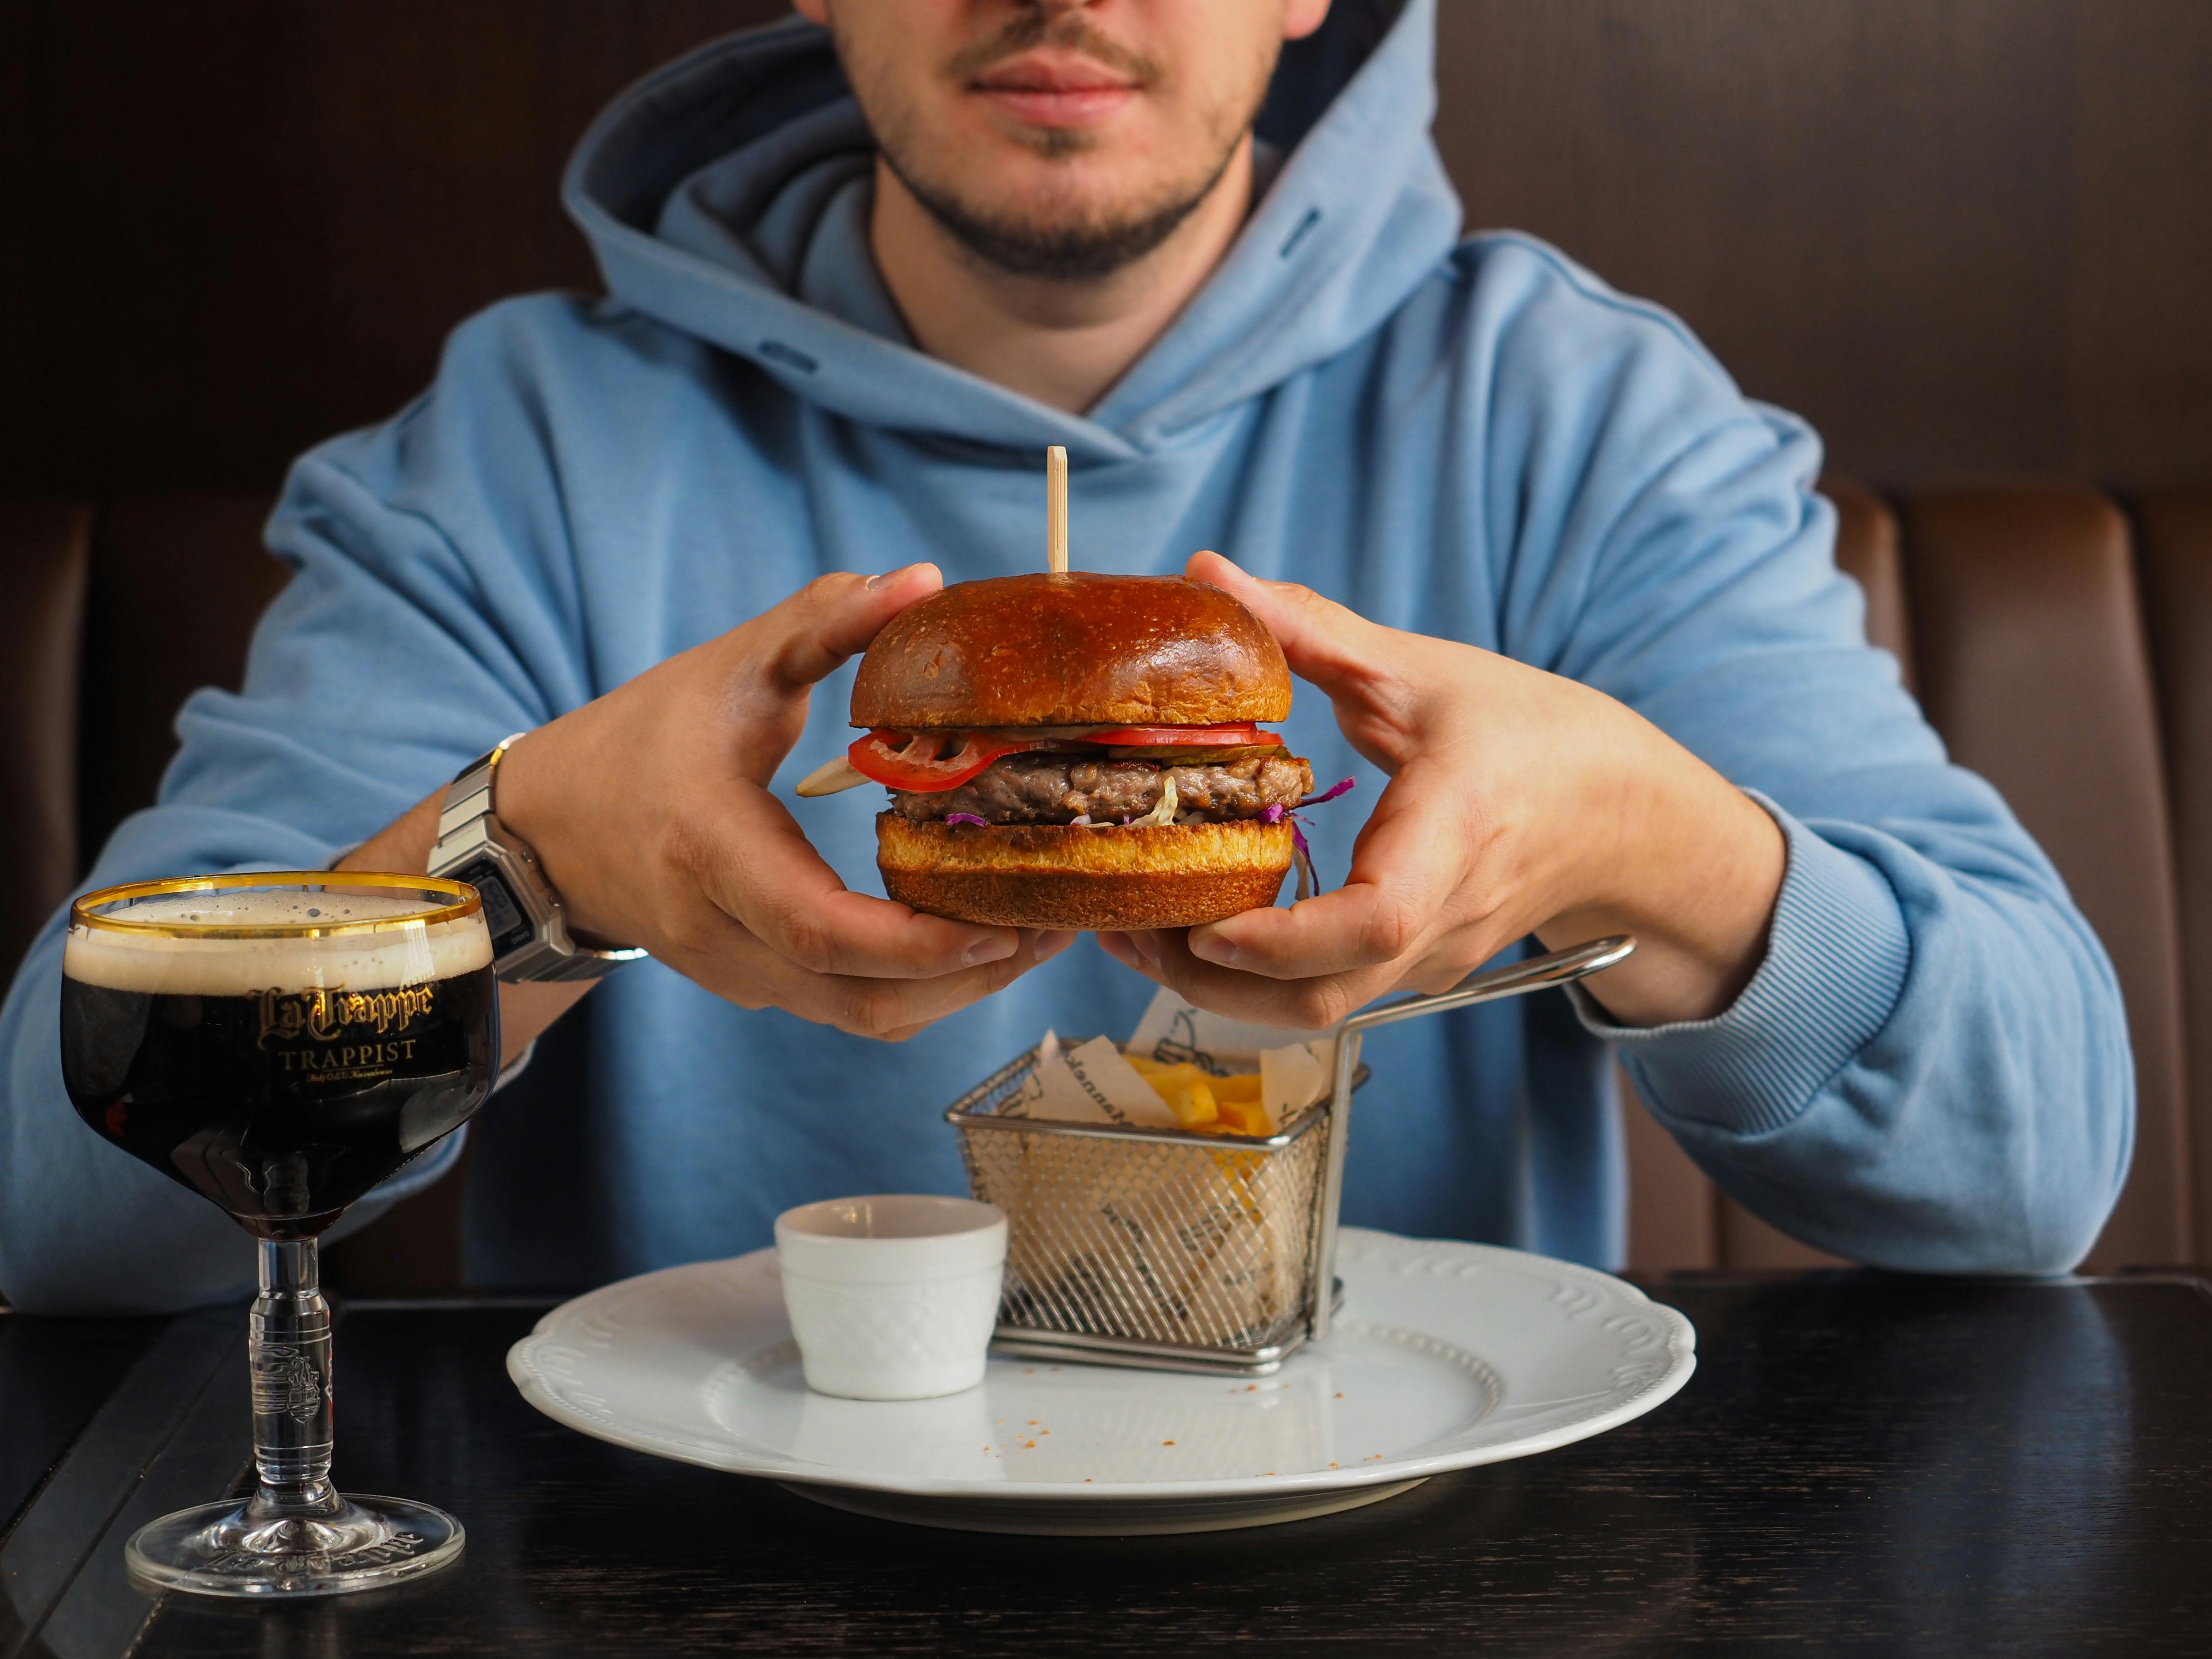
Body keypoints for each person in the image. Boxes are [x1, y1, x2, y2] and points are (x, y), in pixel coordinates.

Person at [0, 0, 2129, 1313]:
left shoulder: (1575, 420)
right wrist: (524, 870)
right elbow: (55, 1209)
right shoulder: (516, 454)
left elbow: (2034, 1172)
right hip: (698, 1568)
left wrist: (1652, 849)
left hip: (1437, 1559)